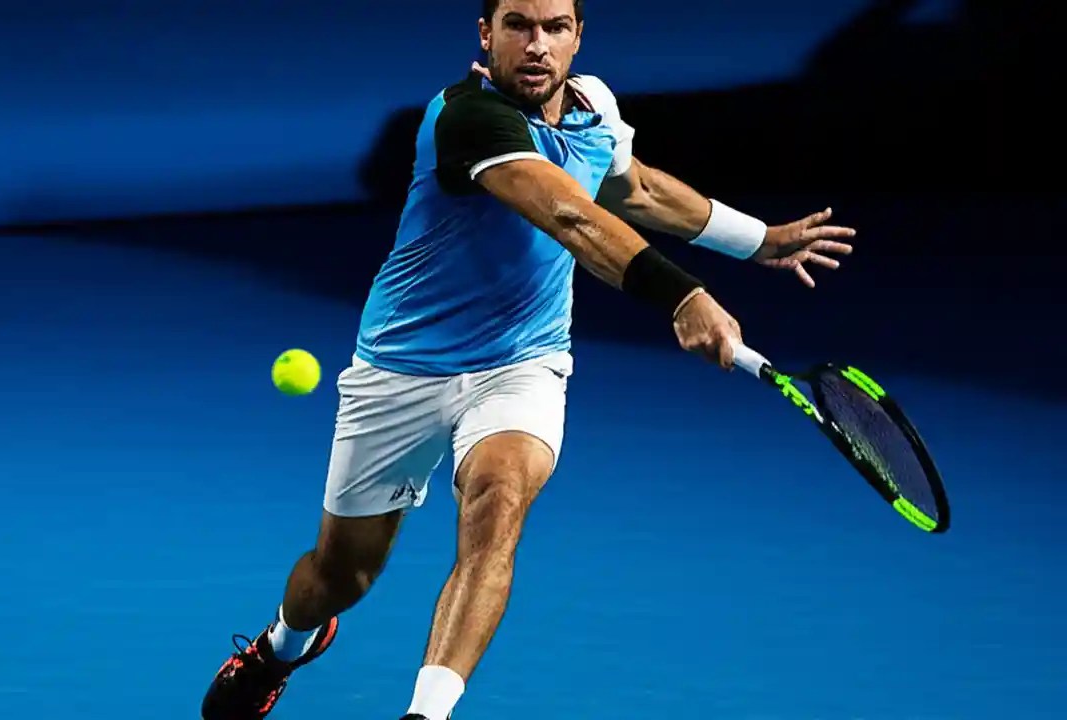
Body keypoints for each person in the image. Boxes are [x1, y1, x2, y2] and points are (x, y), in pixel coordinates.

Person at [200, 1, 856, 719]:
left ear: (578, 36)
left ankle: (425, 714)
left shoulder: (594, 104)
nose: (536, 44)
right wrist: (683, 296)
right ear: (486, 34)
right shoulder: (465, 118)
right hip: (401, 368)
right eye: (518, 25)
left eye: (554, 27)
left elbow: (630, 187)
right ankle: (282, 646)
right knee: (340, 576)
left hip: (522, 363)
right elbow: (569, 213)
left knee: (498, 501)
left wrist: (754, 238)